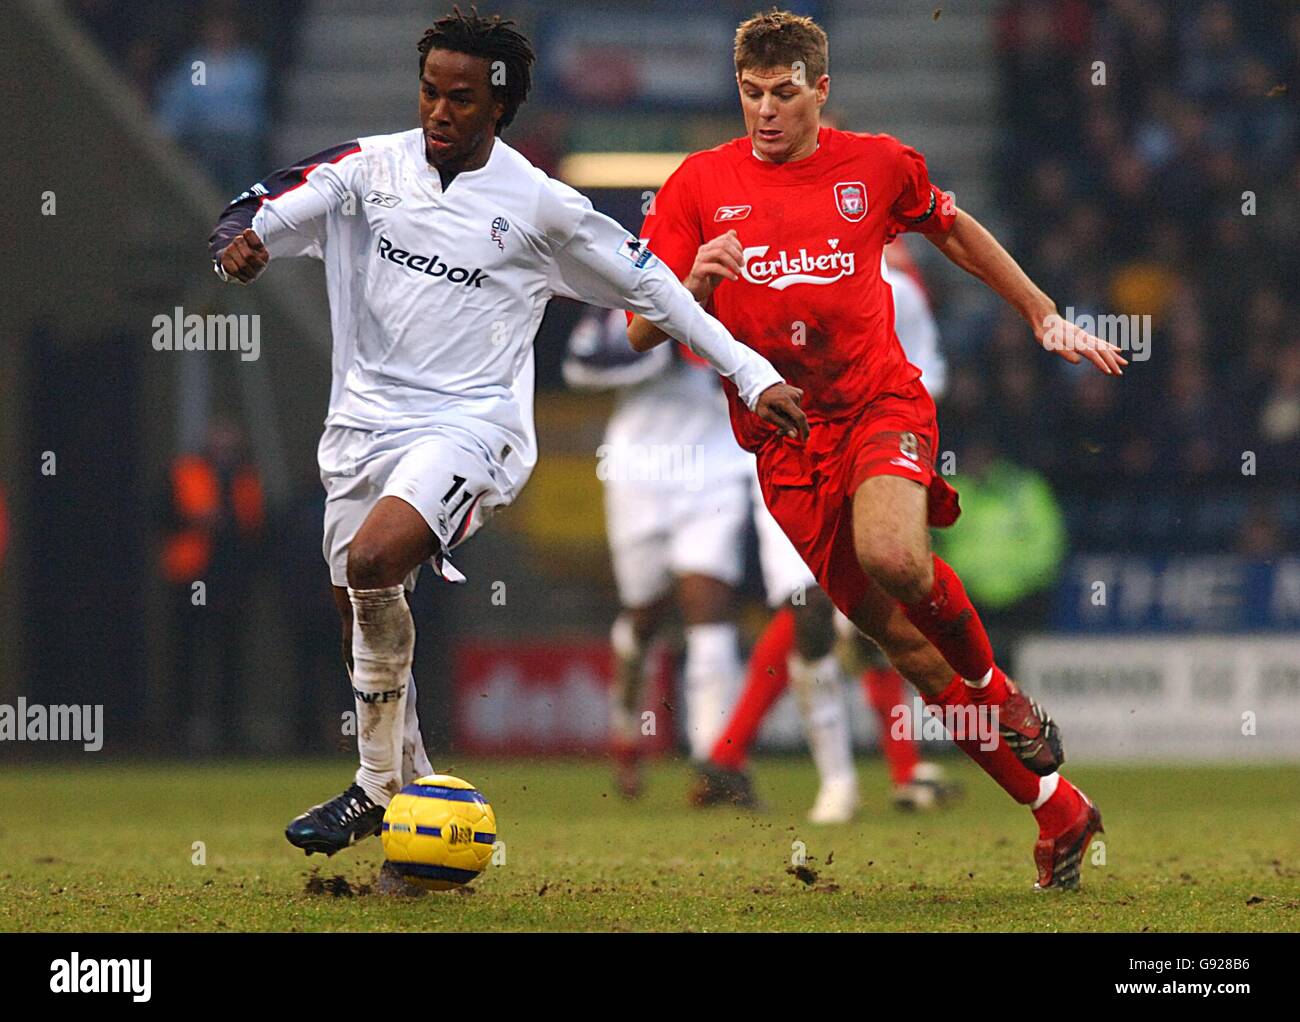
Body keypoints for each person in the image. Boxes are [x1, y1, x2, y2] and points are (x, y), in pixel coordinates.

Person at [207, 8, 805, 859]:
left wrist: (751, 372)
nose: (439, 111)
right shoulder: (368, 169)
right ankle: (413, 797)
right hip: (360, 429)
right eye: (429, 92)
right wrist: (237, 246)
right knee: (359, 612)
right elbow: (253, 211)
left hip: (472, 427)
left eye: (460, 99)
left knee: (374, 564)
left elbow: (658, 291)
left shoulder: (540, 205)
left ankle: (372, 788)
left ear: (499, 107)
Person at [627, 10, 1125, 889]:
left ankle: (1001, 695)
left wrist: (1041, 312)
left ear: (821, 90)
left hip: (878, 404)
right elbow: (638, 328)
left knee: (893, 554)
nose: (766, 111)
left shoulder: (877, 165)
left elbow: (954, 228)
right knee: (912, 654)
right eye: (751, 93)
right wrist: (693, 279)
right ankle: (1058, 812)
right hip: (784, 445)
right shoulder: (698, 185)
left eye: (784, 93)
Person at [700, 246, 961, 822]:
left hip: (866, 463)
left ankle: (903, 770)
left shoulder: (900, 290)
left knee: (870, 615)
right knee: (810, 608)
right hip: (785, 461)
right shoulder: (766, 272)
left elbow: (927, 380)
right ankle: (838, 781)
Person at [563, 308, 750, 795]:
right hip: (639, 474)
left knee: (709, 608)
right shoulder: (627, 294)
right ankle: (627, 732)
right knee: (645, 617)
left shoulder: (740, 292)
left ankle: (715, 762)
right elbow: (579, 367)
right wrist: (655, 347)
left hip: (715, 467)